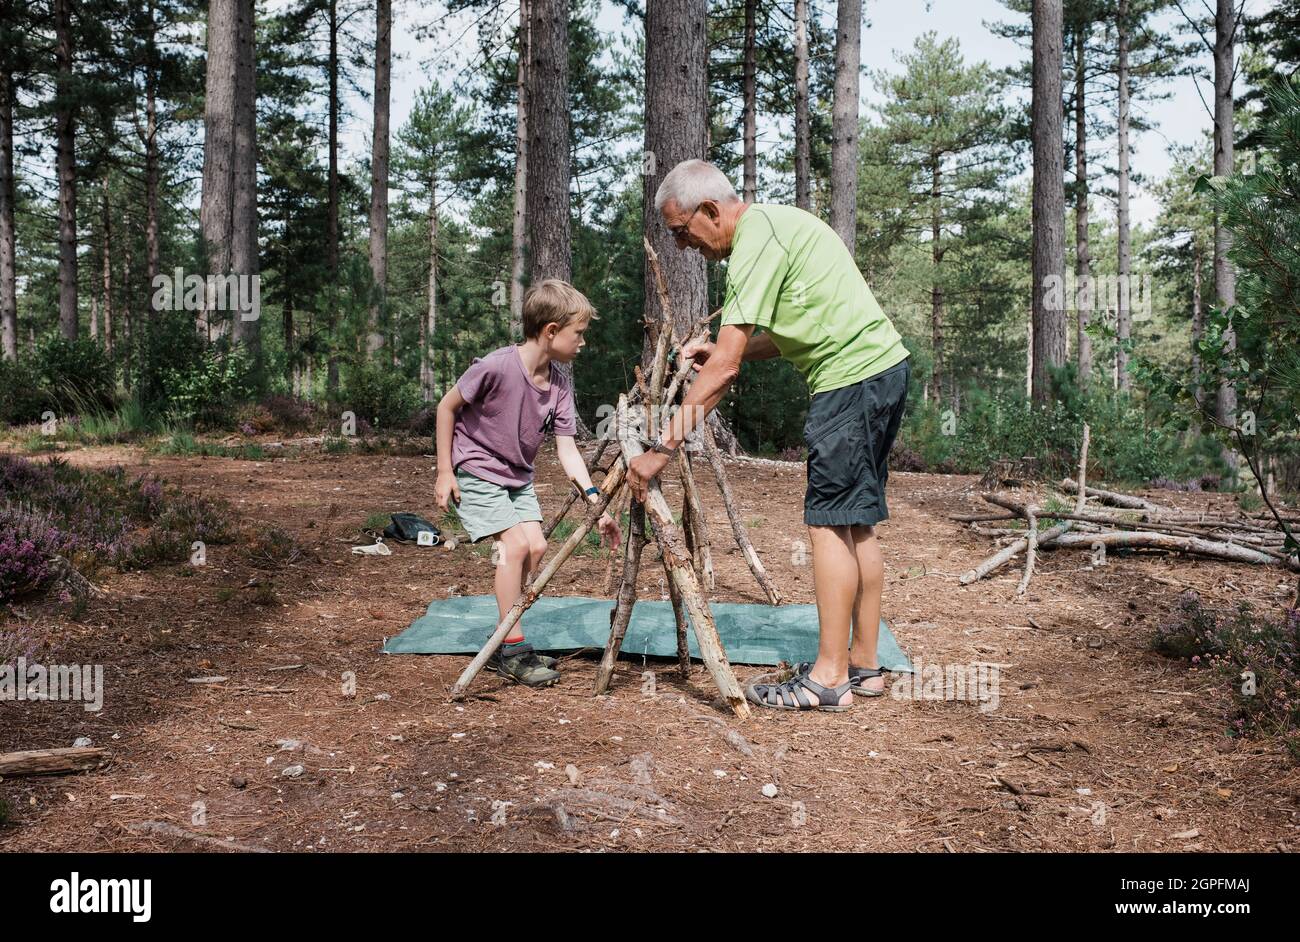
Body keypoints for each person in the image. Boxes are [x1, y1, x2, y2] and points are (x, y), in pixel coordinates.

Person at [626, 159, 911, 712]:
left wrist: (661, 448)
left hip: (849, 382)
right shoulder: (776, 227)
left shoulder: (755, 242)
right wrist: (726, 349)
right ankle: (865, 667)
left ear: (711, 210)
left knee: (828, 521)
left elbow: (724, 372)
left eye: (682, 232)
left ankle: (827, 679)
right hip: (882, 370)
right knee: (855, 520)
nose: (685, 248)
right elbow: (789, 335)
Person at [436, 279, 622, 687]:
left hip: (516, 478)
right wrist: (445, 471)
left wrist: (597, 502)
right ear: (551, 331)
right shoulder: (496, 366)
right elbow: (446, 407)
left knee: (536, 546)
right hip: (476, 468)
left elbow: (569, 452)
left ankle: (503, 638)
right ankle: (514, 648)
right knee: (514, 547)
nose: (583, 343)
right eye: (579, 333)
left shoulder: (559, 385)